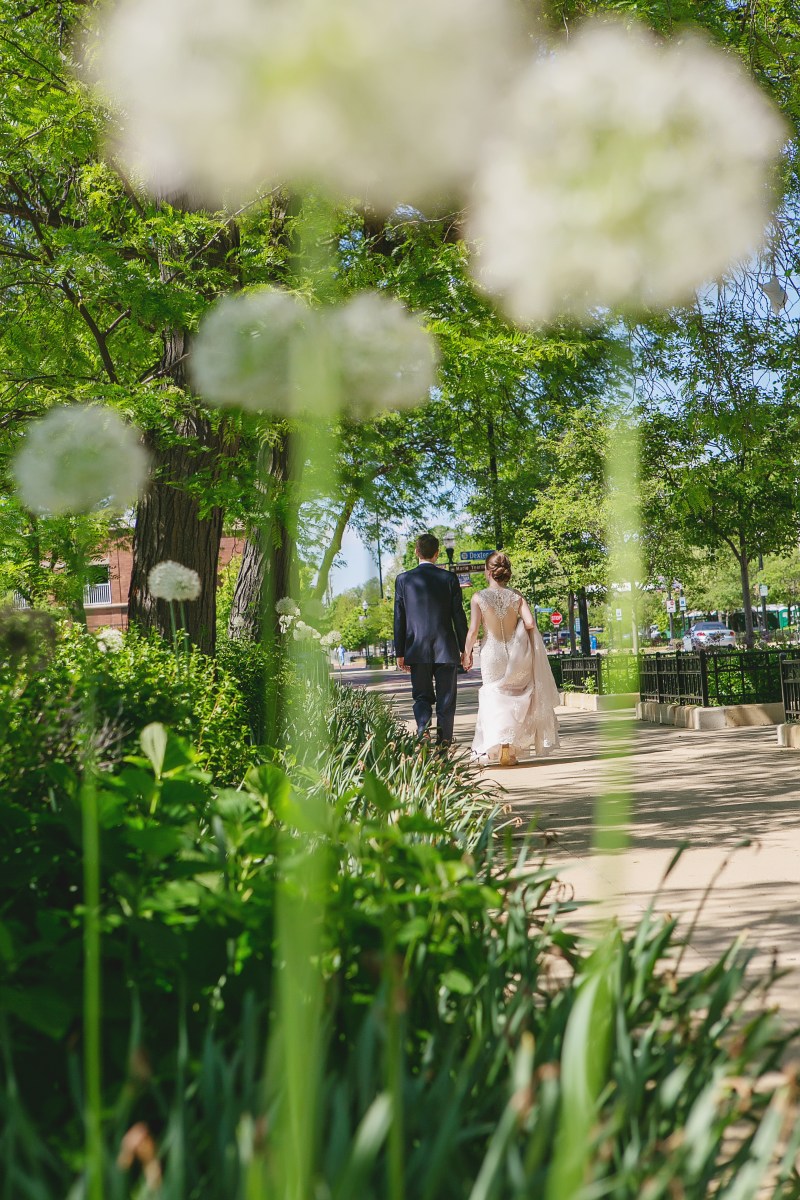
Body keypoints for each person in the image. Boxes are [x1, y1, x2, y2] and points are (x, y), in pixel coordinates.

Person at [462, 551, 560, 766]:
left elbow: (473, 630)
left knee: (494, 699)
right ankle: (511, 749)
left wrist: (466, 653)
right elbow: (530, 622)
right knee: (513, 698)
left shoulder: (478, 597)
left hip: (491, 653)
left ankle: (499, 746)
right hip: (514, 654)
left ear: (488, 571)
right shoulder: (516, 597)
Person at [394, 532, 468, 748]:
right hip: (446, 649)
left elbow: (400, 618)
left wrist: (400, 652)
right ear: (437, 554)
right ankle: (444, 746)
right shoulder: (449, 579)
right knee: (446, 702)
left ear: (416, 552)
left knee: (422, 697)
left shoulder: (403, 580)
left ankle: (423, 730)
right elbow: (458, 616)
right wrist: (465, 649)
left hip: (417, 650)